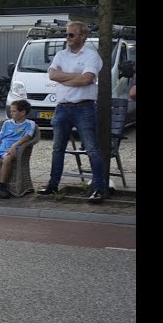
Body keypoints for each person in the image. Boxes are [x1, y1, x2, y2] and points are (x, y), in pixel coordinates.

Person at [38, 21, 106, 203]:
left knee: (92, 149)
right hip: (62, 107)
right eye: (67, 34)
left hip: (84, 107)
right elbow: (52, 75)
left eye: (71, 35)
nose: (67, 38)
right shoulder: (61, 55)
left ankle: (99, 188)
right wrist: (77, 76)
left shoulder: (92, 55)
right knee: (57, 148)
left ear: (82, 36)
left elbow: (87, 79)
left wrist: (65, 78)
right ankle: (53, 185)